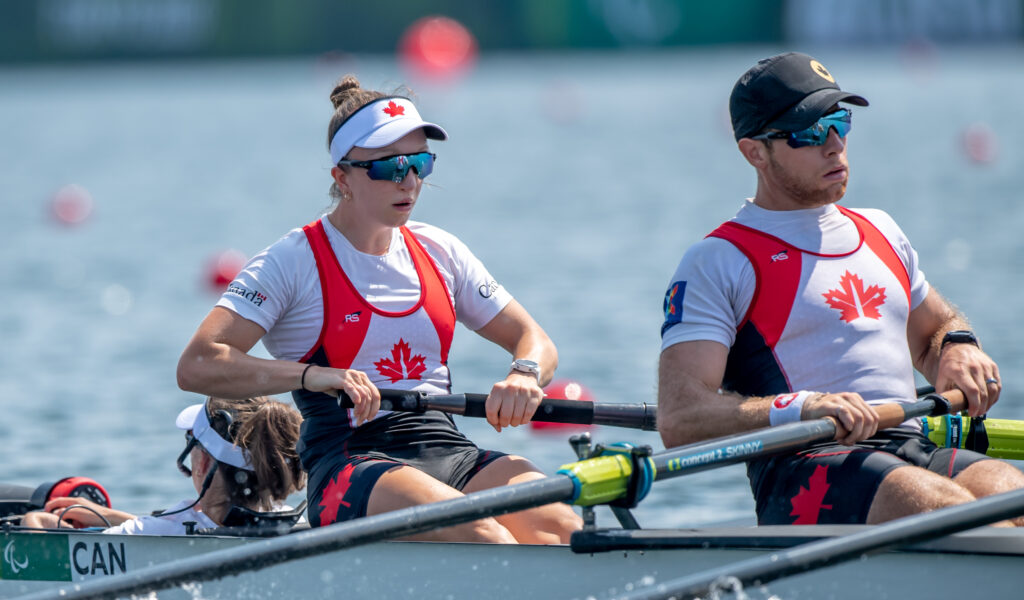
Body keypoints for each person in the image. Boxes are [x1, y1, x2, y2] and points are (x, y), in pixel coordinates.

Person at [176, 75, 581, 544]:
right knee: (488, 537)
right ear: (341, 178)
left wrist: (525, 374)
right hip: (350, 461)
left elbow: (535, 340)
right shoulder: (292, 262)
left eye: (421, 164)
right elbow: (198, 363)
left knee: (568, 531)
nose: (409, 181)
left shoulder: (440, 251)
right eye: (390, 167)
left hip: (448, 449)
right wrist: (310, 376)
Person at [657, 52, 1024, 526]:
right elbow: (680, 417)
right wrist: (803, 406)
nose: (834, 145)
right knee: (959, 515)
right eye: (810, 131)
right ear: (755, 152)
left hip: (910, 448)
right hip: (804, 467)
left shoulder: (881, 230)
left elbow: (936, 331)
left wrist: (956, 345)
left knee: (1013, 498)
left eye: (839, 121)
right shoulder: (719, 260)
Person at [23, 397, 305, 534]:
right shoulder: (293, 521)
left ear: (204, 462)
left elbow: (39, 548)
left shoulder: (158, 535)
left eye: (191, 441)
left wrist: (37, 520)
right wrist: (111, 516)